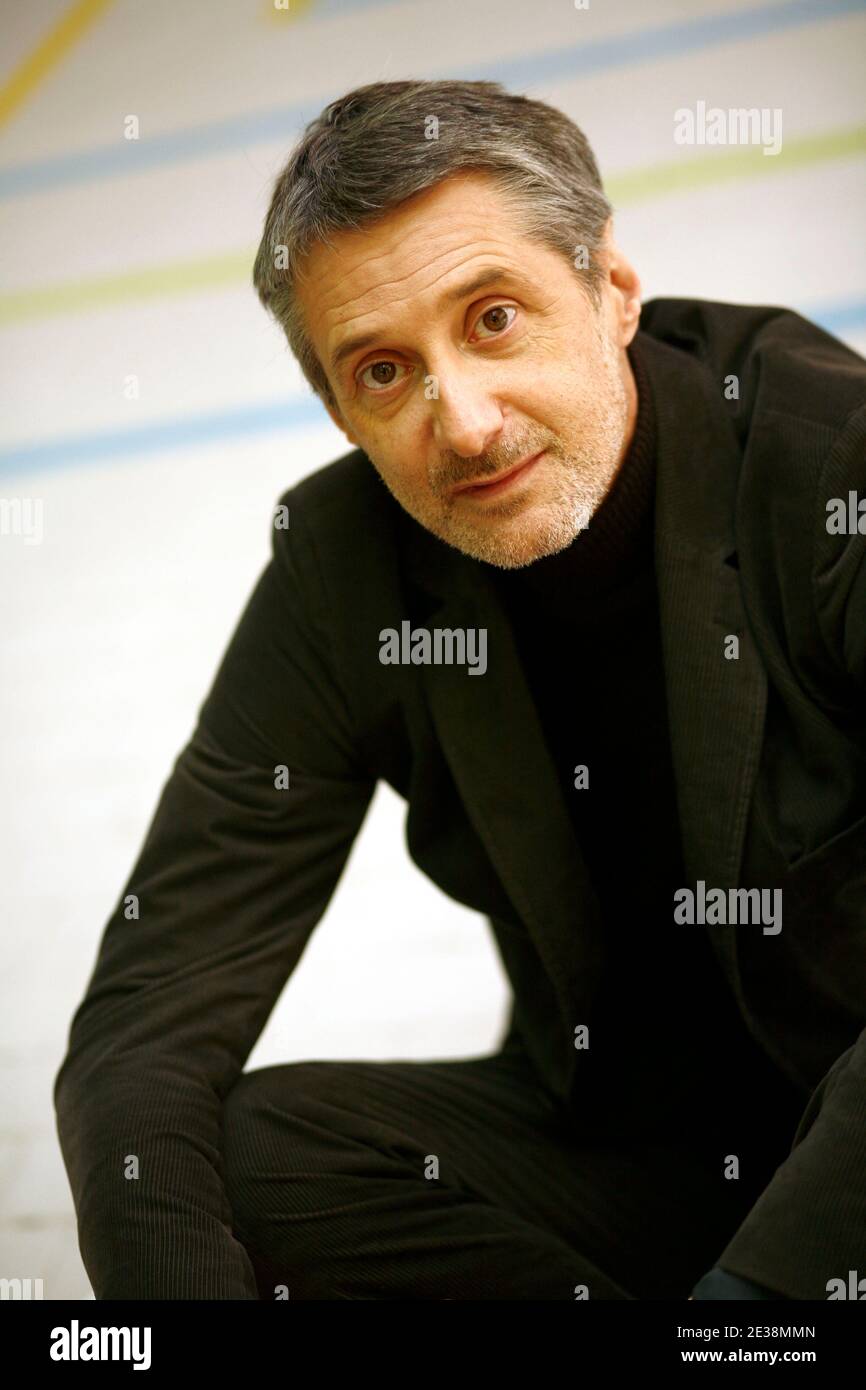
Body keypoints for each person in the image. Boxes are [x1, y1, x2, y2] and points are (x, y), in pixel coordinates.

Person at [54, 79, 866, 1301]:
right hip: (656, 1161)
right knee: (244, 1155)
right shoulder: (345, 567)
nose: (467, 425)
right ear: (338, 412)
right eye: (384, 372)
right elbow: (152, 1013)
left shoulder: (827, 466)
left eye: (492, 319)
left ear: (610, 293)